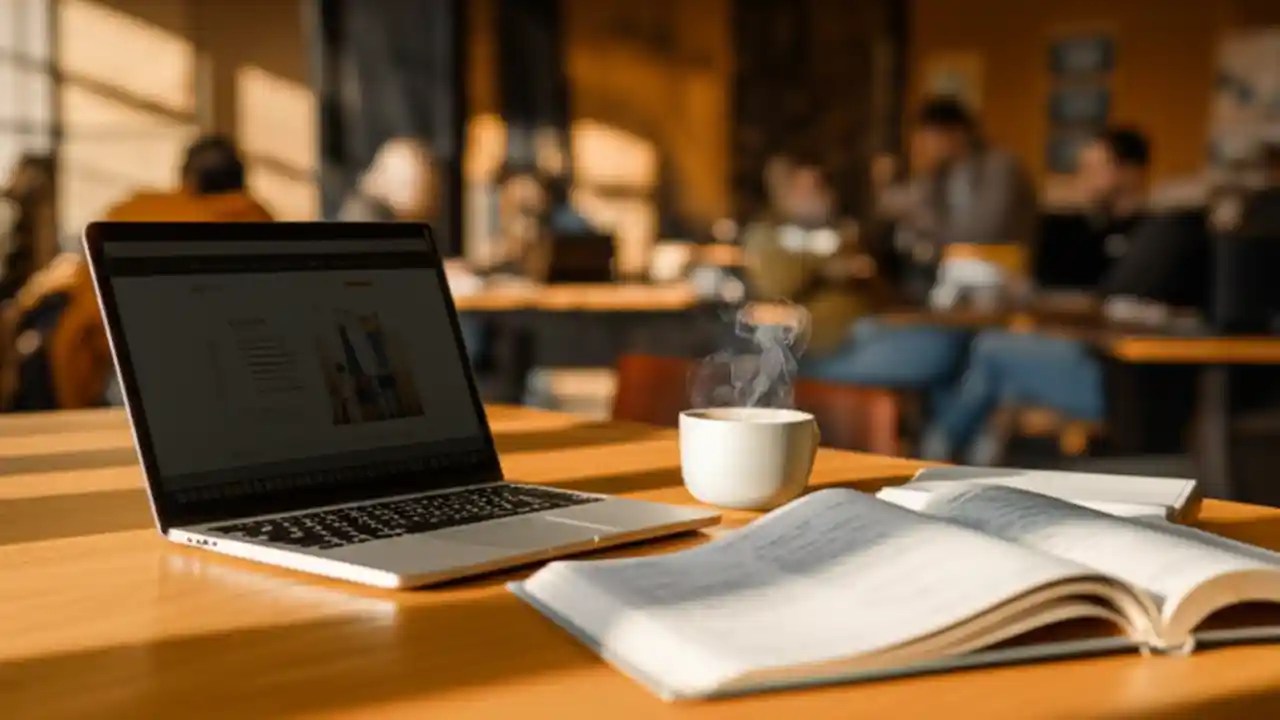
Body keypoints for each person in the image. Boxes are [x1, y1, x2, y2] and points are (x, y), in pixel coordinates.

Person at [923, 127, 1200, 463]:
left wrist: (1045, 307)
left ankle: (938, 454)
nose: (1084, 178)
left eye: (1096, 167)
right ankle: (966, 456)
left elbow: (1110, 307)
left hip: (1125, 378)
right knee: (991, 368)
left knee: (990, 353)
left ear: (1130, 171)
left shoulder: (1161, 235)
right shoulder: (1087, 229)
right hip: (1087, 352)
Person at [741, 159, 883, 356]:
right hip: (808, 342)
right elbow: (776, 284)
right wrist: (825, 268)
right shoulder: (765, 236)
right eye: (805, 189)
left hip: (859, 329)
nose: (819, 196)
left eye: (820, 186)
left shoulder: (845, 233)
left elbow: (869, 278)